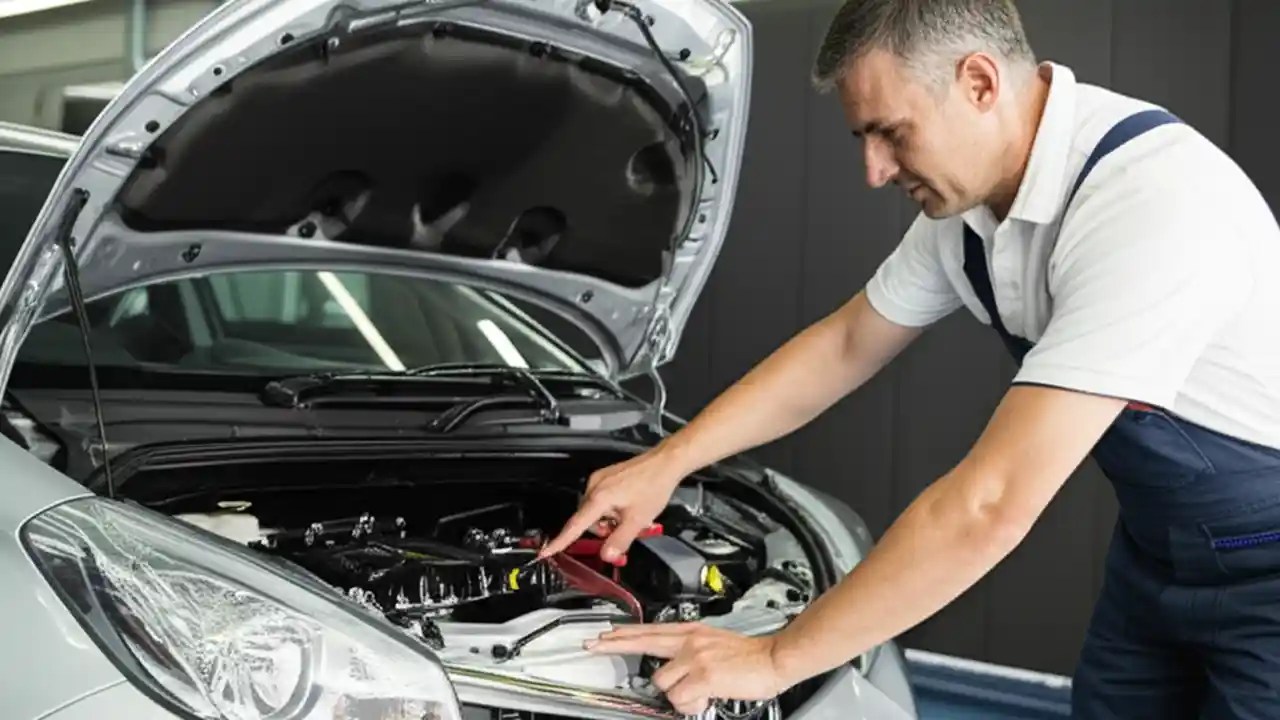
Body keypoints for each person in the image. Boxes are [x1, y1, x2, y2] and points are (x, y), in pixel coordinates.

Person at [537, 0, 1280, 717]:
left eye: (891, 133)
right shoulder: (973, 206)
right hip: (1157, 555)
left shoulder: (1151, 205)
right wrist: (670, 461)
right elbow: (848, 343)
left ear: (980, 83)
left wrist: (774, 660)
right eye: (863, 138)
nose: (875, 170)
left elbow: (989, 506)